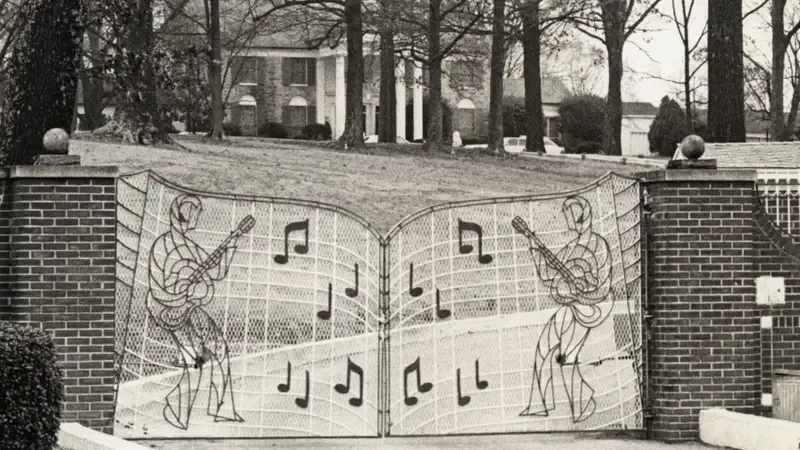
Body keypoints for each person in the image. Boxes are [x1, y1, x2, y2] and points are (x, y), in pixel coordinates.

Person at [146, 194, 248, 430]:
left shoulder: (190, 246)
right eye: (194, 212)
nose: (197, 217)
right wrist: (178, 294)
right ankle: (178, 412)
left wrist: (231, 245)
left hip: (187, 307)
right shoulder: (161, 245)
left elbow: (217, 272)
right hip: (166, 308)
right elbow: (156, 287)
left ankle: (221, 410)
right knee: (194, 360)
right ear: (182, 214)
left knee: (219, 351)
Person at [514, 195, 613, 423]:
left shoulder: (599, 244)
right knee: (542, 351)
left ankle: (582, 405)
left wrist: (586, 282)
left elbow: (604, 283)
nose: (572, 222)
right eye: (569, 217)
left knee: (567, 358)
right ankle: (540, 406)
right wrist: (534, 245)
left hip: (589, 308)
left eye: (574, 216)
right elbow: (549, 275)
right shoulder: (570, 247)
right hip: (571, 306)